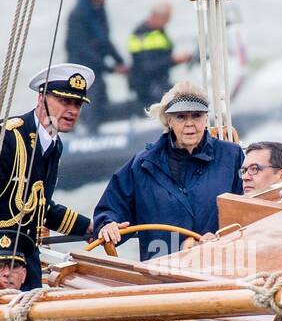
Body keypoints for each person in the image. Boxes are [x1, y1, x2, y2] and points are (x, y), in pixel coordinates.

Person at [0, 63, 94, 296]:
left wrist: (90, 226)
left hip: (25, 261)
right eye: (64, 101)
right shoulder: (6, 137)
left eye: (77, 104)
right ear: (41, 98)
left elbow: (38, 206)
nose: (72, 110)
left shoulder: (54, 144)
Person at [92, 82, 244, 262]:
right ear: (169, 121)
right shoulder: (142, 164)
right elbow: (112, 207)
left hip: (221, 265)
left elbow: (252, 207)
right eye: (181, 117)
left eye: (196, 116)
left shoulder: (232, 156)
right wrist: (108, 224)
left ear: (205, 119)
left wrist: (224, 238)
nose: (190, 124)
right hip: (162, 272)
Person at [65, 0, 127, 115]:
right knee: (90, 104)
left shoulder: (99, 10)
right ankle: (88, 132)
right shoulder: (78, 15)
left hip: (97, 69)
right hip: (81, 71)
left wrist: (119, 61)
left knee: (102, 101)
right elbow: (81, 49)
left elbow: (105, 40)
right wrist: (110, 68)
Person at [127, 2, 191, 108]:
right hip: (147, 86)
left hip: (161, 81)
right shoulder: (140, 34)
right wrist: (174, 60)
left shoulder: (159, 31)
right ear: (155, 16)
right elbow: (147, 67)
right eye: (166, 18)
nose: (167, 22)